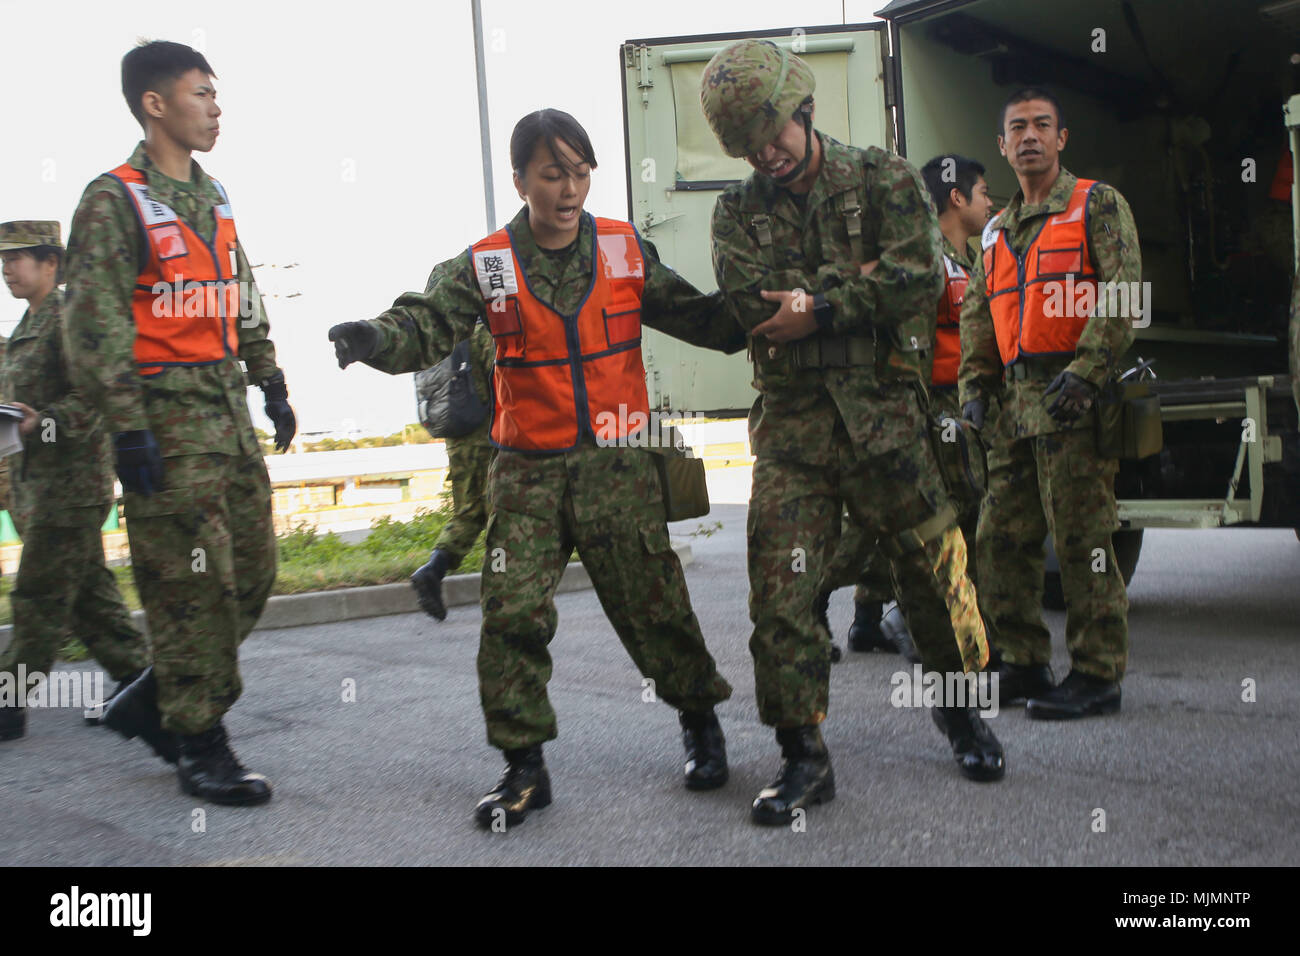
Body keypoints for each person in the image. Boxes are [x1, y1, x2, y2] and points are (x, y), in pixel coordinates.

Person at [329, 108, 741, 829]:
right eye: (554, 174)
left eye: (581, 172)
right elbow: (423, 322)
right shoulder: (488, 264)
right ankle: (524, 768)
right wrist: (372, 337)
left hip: (617, 466)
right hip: (526, 475)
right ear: (520, 180)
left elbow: (697, 316)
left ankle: (700, 722)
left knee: (656, 607)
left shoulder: (620, 247)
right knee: (512, 617)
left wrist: (763, 315)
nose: (570, 188)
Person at [700, 39, 1005, 827]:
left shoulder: (882, 177)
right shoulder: (734, 212)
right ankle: (804, 755)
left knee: (934, 577)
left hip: (889, 425)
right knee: (782, 596)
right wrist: (849, 288)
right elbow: (750, 308)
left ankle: (960, 712)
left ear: (802, 109)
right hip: (794, 438)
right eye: (748, 145)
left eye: (773, 132)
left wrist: (817, 306)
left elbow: (916, 274)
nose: (766, 153)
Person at [61, 41, 297, 803]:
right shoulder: (113, 199)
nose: (216, 107)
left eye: (217, 94)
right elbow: (92, 325)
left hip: (225, 414)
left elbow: (243, 291)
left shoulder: (215, 195)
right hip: (162, 421)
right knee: (189, 589)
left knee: (254, 571)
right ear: (155, 104)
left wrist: (271, 380)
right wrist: (126, 427)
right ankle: (199, 742)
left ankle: (152, 694)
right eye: (202, 94)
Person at [959, 87, 1140, 718]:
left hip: (1073, 400)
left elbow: (1125, 293)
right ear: (1002, 146)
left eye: (1043, 125)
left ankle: (1096, 674)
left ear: (1062, 139)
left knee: (1083, 540)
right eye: (1018, 128)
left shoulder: (1097, 204)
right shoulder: (994, 233)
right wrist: (974, 392)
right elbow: (979, 317)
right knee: (1000, 537)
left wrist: (1089, 373)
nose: (1030, 136)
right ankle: (1022, 663)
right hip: (1011, 404)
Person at [818, 155, 994, 660]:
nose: (990, 203)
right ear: (956, 197)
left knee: (928, 518)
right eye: (983, 192)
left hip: (956, 402)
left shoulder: (969, 259)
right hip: (924, 402)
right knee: (905, 521)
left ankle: (869, 619)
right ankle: (805, 601)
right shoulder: (923, 260)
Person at [0, 221, 152, 743]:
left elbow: (94, 398)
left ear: (51, 264)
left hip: (70, 485)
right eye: (3, 259)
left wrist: (39, 422)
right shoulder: (27, 324)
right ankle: (144, 684)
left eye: (17, 258)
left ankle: (7, 701)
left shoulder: (70, 319)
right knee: (89, 597)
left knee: (39, 595)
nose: (6, 268)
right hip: (35, 485)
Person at [410, 321, 496, 620]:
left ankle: (433, 569)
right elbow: (502, 376)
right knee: (501, 515)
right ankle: (503, 587)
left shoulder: (439, 331)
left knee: (468, 513)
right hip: (487, 435)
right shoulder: (483, 332)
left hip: (456, 437)